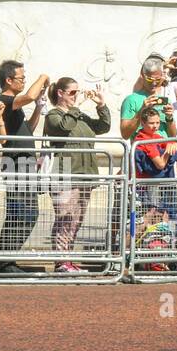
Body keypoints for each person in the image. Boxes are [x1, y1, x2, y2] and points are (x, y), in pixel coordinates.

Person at [43, 79, 111, 273]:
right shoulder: (53, 115)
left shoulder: (79, 116)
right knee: (65, 217)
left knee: (76, 219)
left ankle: (68, 259)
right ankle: (61, 262)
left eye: (77, 92)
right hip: (65, 173)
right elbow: (62, 128)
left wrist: (101, 105)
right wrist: (76, 107)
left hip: (86, 173)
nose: (76, 95)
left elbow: (102, 127)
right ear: (60, 94)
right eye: (72, 92)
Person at [0, 60, 50, 272]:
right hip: (16, 163)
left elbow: (28, 128)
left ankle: (6, 260)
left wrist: (38, 109)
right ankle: (5, 262)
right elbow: (29, 95)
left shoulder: (14, 106)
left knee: (25, 212)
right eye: (21, 78)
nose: (24, 81)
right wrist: (42, 77)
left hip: (24, 162)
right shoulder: (6, 99)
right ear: (9, 80)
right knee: (22, 212)